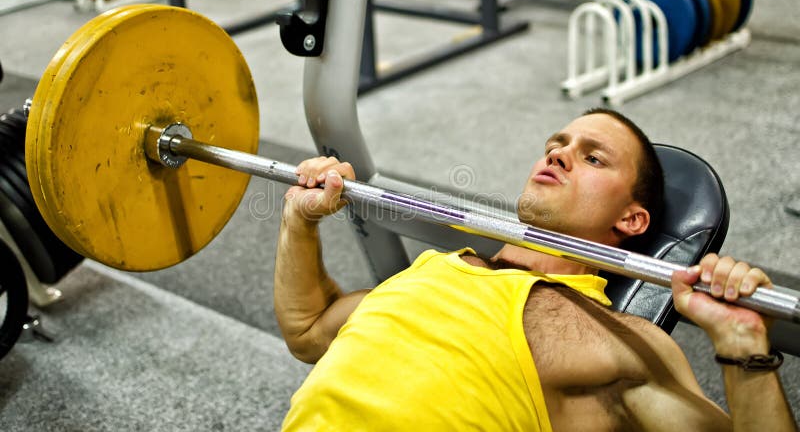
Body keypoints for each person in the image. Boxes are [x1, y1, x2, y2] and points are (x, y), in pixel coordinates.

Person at [274, 108, 796, 431]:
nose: (560, 155)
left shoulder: (616, 340)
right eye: (557, 145)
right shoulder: (441, 267)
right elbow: (307, 329)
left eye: (593, 159)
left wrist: (742, 342)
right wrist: (299, 219)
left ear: (632, 219)